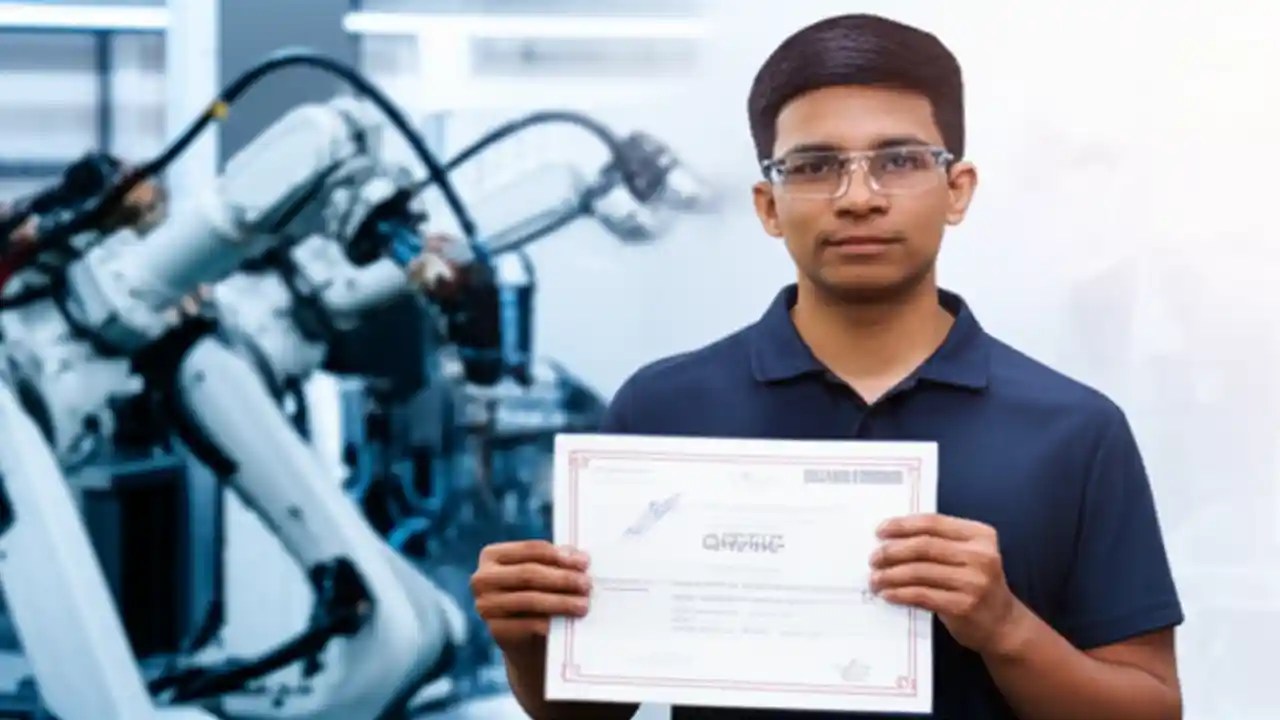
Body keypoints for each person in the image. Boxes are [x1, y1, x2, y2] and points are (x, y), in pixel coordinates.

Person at [469, 12, 1184, 720]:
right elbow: (591, 712)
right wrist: (527, 642)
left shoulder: (1074, 431)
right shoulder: (663, 410)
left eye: (900, 160)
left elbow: (1151, 708)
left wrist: (1006, 628)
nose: (859, 198)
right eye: (814, 167)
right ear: (769, 204)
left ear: (958, 189)